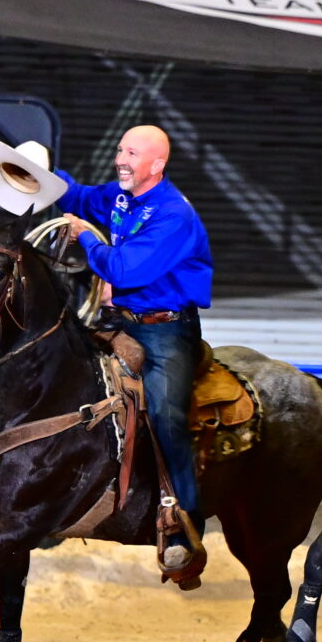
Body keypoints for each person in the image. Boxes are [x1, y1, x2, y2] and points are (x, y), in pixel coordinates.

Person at [55, 125, 213, 576]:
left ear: (157, 165)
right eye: (120, 150)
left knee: (167, 414)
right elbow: (81, 197)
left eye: (131, 153)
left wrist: (85, 236)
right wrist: (40, 176)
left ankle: (185, 521)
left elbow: (122, 269)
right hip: (122, 321)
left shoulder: (173, 215)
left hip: (166, 332)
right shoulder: (122, 197)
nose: (121, 159)